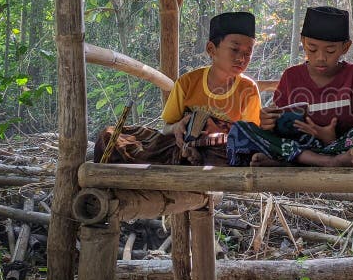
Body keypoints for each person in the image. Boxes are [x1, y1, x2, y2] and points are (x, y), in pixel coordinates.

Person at [227, 6, 353, 167]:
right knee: (240, 129)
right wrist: (267, 123)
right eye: (312, 49)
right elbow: (278, 127)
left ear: (345, 47)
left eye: (330, 51)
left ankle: (290, 161)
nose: (320, 57)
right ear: (303, 42)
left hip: (341, 146)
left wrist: (329, 138)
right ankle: (326, 161)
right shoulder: (291, 76)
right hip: (300, 146)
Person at [93, 11, 260, 165]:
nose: (241, 58)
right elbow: (166, 129)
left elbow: (251, 139)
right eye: (235, 49)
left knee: (228, 152)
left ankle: (192, 156)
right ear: (211, 49)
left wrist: (219, 132)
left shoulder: (248, 89)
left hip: (220, 151)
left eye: (248, 52)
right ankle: (186, 155)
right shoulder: (187, 82)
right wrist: (177, 128)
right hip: (177, 145)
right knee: (110, 136)